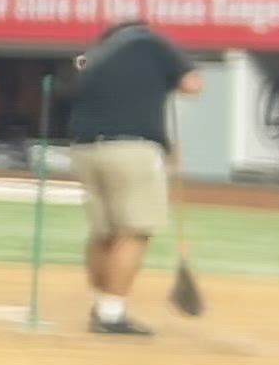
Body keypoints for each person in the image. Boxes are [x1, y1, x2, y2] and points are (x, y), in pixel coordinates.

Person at [64, 20, 200, 336]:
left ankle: (101, 303)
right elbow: (193, 84)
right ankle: (111, 314)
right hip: (131, 150)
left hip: (85, 150)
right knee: (135, 230)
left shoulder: (96, 56)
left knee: (104, 232)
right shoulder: (151, 43)